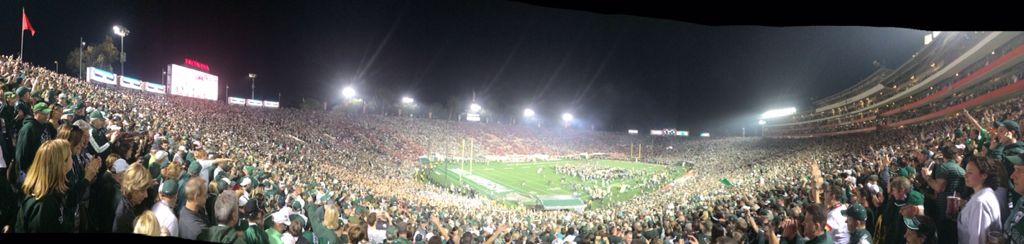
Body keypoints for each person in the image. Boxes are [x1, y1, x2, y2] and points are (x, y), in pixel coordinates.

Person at [13, 139, 72, 233]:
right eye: (70, 156)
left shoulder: (50, 194)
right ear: (62, 164)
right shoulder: (44, 205)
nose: (72, 160)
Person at [957, 157, 1004, 243]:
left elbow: (978, 239)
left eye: (970, 172)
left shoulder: (979, 203)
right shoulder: (986, 194)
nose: (965, 175)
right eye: (966, 171)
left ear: (984, 175)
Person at [13, 102, 50, 183]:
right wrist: (26, 170)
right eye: (43, 113)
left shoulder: (45, 126)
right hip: (30, 171)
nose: (47, 116)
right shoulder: (28, 128)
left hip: (42, 168)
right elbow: (21, 153)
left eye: (47, 113)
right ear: (35, 113)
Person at [113, 163, 153, 233]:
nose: (146, 195)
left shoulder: (139, 202)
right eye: (142, 191)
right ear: (132, 189)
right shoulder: (123, 215)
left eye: (147, 189)